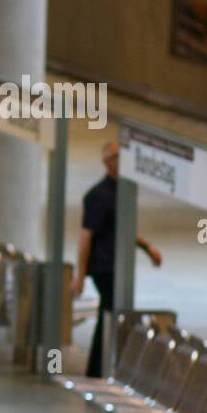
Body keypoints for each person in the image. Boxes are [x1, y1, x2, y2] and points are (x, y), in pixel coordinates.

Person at [72, 141, 162, 378]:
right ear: (107, 162)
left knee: (111, 313)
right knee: (111, 312)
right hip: (104, 266)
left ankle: (103, 367)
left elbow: (124, 229)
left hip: (116, 265)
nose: (122, 161)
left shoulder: (121, 191)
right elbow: (85, 236)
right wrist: (80, 275)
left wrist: (147, 247)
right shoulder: (98, 195)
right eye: (117, 156)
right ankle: (99, 369)